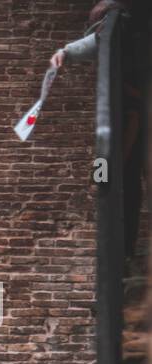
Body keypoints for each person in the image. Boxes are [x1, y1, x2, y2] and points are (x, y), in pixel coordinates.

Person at [51, 1, 147, 256]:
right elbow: (97, 41)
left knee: (124, 178)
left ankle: (125, 256)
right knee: (121, 179)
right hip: (129, 113)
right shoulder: (115, 29)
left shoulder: (133, 33)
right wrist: (66, 51)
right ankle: (124, 255)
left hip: (135, 112)